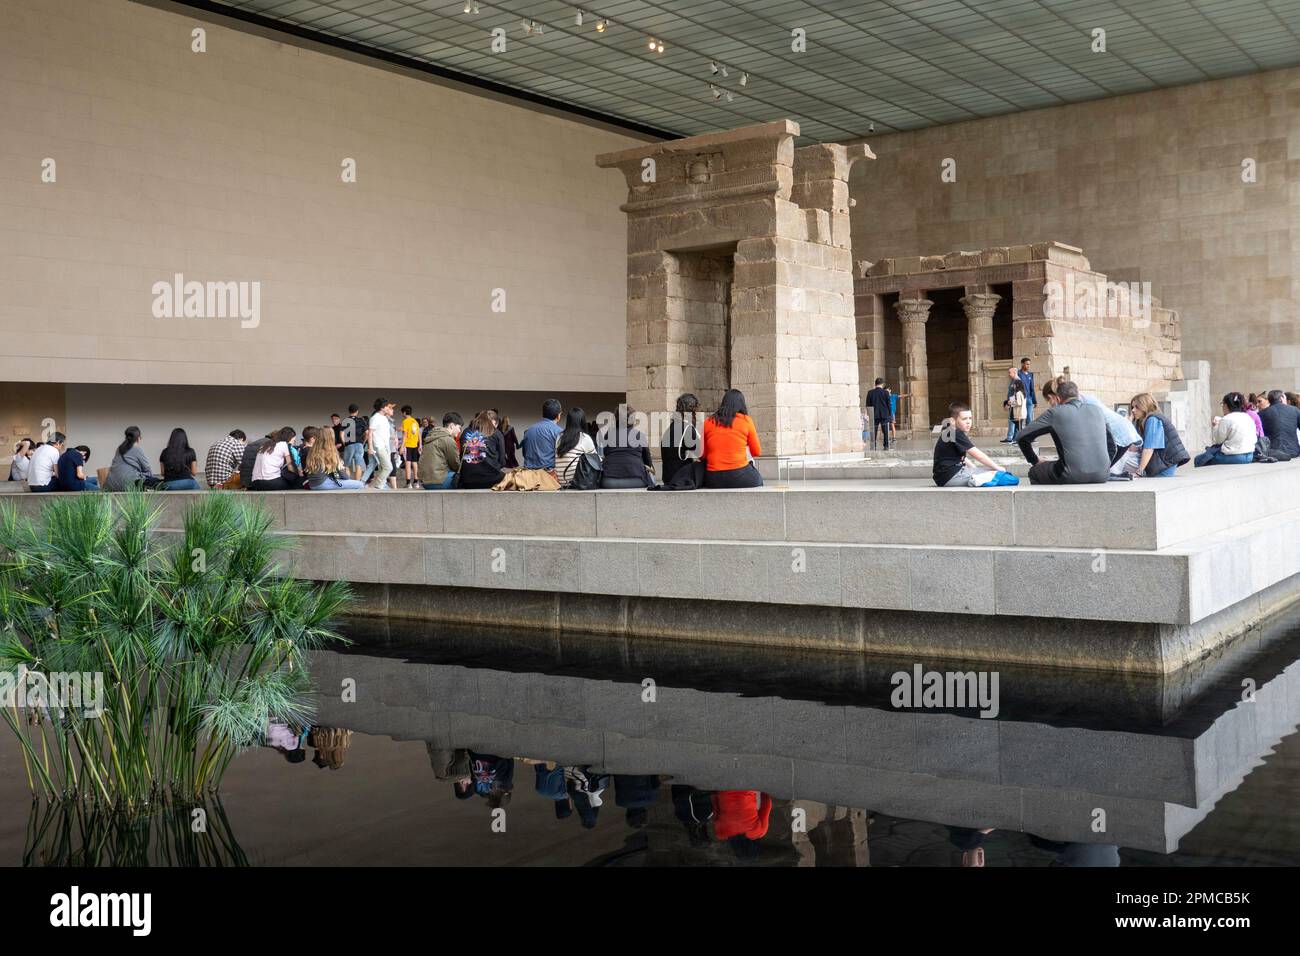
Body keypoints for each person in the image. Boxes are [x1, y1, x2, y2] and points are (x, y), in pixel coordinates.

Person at [1016, 380, 1114, 484]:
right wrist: (1103, 467)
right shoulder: (1098, 410)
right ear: (1077, 394)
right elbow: (1113, 446)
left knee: (1034, 472)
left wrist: (1035, 460)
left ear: (1058, 398)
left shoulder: (1055, 413)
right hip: (1103, 475)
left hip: (1070, 474)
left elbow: (1021, 436)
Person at [932, 403, 1008, 486]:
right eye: (964, 419)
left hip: (944, 477)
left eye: (970, 418)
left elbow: (960, 457)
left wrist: (974, 468)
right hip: (952, 476)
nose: (968, 422)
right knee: (1004, 477)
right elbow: (979, 455)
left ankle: (977, 479)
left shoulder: (949, 431)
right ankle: (976, 480)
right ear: (952, 420)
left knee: (992, 473)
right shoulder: (955, 432)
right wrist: (998, 468)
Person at [702, 388, 763, 488]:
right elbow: (757, 452)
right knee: (758, 479)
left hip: (713, 478)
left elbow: (703, 455)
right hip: (739, 475)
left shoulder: (708, 421)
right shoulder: (746, 420)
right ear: (741, 404)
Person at [1128, 392, 1189, 477]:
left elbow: (1149, 448)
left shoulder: (1153, 420)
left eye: (1137, 407)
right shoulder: (1143, 422)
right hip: (1159, 465)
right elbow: (1133, 449)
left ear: (1145, 406)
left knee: (1122, 461)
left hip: (1162, 468)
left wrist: (1139, 472)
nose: (1133, 410)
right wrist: (1129, 425)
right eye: (1132, 407)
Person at [1194, 392, 1256, 467]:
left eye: (1222, 404)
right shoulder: (1247, 417)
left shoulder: (1226, 419)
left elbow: (1218, 441)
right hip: (1250, 455)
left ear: (1226, 405)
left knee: (1198, 460)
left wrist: (1216, 426)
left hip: (1234, 456)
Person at [599, 406, 655, 488]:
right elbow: (648, 462)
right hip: (637, 480)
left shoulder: (608, 434)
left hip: (608, 480)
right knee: (652, 477)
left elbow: (606, 453)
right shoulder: (639, 434)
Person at [660, 393, 701, 485]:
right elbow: (701, 453)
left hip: (667, 478)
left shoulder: (669, 429)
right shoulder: (687, 429)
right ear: (693, 411)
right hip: (681, 478)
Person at [456, 411, 505, 489]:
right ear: (494, 423)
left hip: (467, 480)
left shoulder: (466, 431)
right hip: (491, 479)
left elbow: (461, 455)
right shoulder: (496, 433)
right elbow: (502, 461)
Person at [419, 412, 464, 489]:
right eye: (459, 427)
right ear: (452, 426)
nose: (460, 431)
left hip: (425, 482)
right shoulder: (448, 439)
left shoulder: (431, 436)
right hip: (440, 481)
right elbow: (456, 465)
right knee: (467, 478)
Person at [554, 407, 597, 488]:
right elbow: (596, 461)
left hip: (561, 482)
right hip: (577, 482)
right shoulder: (584, 437)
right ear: (582, 421)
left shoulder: (559, 437)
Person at [520, 399, 564, 472]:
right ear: (558, 415)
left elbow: (525, 453)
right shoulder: (559, 432)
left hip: (528, 475)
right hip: (549, 476)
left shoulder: (529, 431)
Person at [105, 426, 155, 491]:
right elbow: (148, 471)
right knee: (153, 480)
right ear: (138, 438)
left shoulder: (119, 449)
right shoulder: (137, 449)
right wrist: (140, 474)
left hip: (110, 485)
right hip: (127, 485)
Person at [1258, 389, 1300, 461]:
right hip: (1293, 451)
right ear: (1281, 398)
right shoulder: (1295, 410)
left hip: (1272, 452)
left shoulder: (1261, 414)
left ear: (1269, 400)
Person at [366, 398, 396, 490]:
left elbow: (383, 433)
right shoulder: (375, 418)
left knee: (382, 469)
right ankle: (378, 486)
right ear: (382, 408)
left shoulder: (384, 418)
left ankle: (371, 486)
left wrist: (393, 438)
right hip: (379, 447)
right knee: (388, 467)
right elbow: (370, 433)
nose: (388, 407)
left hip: (386, 446)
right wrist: (370, 448)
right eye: (387, 406)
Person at [341, 403, 369, 480]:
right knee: (359, 464)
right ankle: (357, 483)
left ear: (349, 411)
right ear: (357, 411)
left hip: (349, 444)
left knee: (346, 465)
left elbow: (342, 434)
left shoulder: (345, 420)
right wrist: (363, 443)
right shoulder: (361, 420)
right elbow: (367, 433)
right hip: (359, 444)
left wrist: (344, 443)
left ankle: (348, 482)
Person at [865, 378, 893, 450]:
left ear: (875, 384)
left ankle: (873, 445)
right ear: (882, 384)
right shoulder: (886, 393)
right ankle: (886, 446)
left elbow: (868, 405)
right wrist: (890, 415)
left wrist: (868, 414)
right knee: (885, 431)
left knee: (874, 431)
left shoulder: (870, 392)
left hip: (874, 414)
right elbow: (889, 405)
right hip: (884, 414)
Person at [1000, 368, 1026, 442]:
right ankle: (1012, 438)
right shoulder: (1013, 381)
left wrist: (1010, 403)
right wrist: (1007, 402)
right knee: (1012, 420)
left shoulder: (1018, 381)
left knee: (1014, 421)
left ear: (1015, 372)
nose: (1009, 374)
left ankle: (1012, 438)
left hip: (1014, 404)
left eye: (1010, 372)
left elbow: (1018, 395)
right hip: (1011, 403)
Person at [399, 404, 421, 488]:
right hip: (415, 445)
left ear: (404, 412)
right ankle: (416, 481)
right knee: (414, 463)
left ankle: (408, 483)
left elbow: (404, 435)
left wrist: (401, 446)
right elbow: (419, 434)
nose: (402, 414)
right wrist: (420, 445)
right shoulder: (415, 421)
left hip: (407, 445)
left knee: (407, 463)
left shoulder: (405, 421)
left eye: (402, 413)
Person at [1018, 357, 1036, 424]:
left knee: (1029, 417)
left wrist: (1034, 401)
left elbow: (1032, 388)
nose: (1028, 366)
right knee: (1021, 417)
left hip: (1029, 399)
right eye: (1027, 364)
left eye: (1029, 364)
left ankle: (1028, 433)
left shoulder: (1030, 374)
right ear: (1022, 364)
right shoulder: (1018, 374)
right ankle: (1021, 433)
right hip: (1021, 399)